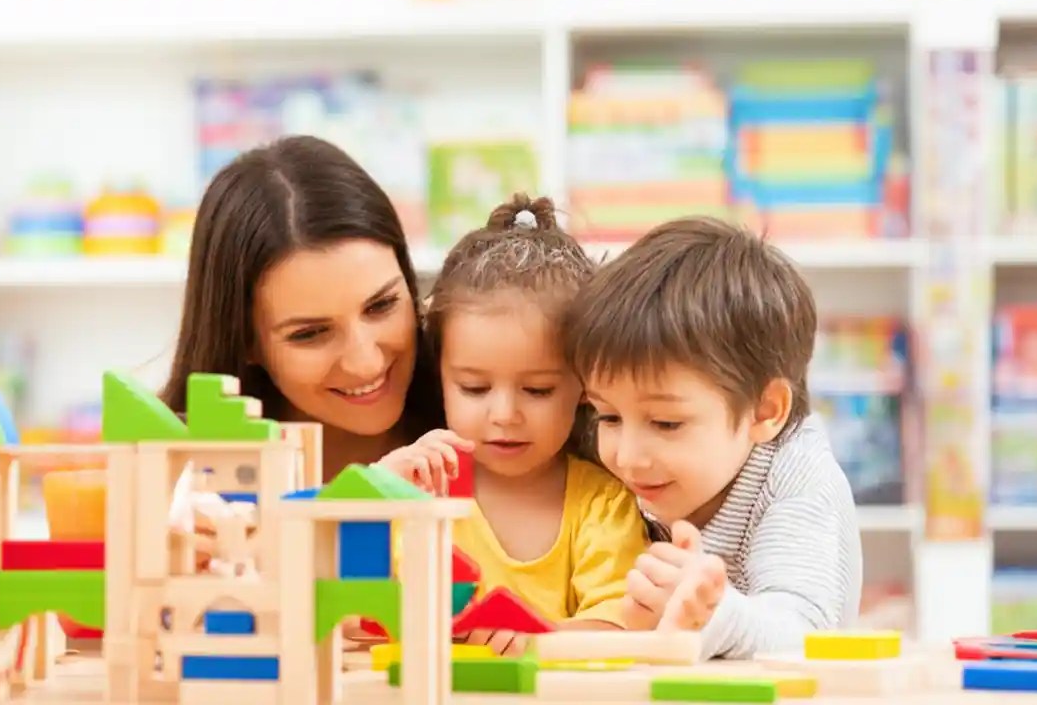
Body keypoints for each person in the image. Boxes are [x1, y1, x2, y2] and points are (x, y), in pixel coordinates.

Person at [562, 216, 862, 659]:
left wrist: (713, 615)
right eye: (607, 416)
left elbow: (806, 636)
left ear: (766, 410)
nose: (627, 457)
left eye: (666, 423)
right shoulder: (624, 468)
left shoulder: (796, 480)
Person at [375, 194, 650, 656]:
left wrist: (536, 640)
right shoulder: (420, 489)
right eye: (474, 389)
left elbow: (621, 630)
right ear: (438, 374)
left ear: (585, 384)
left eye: (538, 390)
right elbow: (354, 618)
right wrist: (376, 493)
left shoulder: (602, 505)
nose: (503, 414)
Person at [159, 135, 444, 479]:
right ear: (245, 339)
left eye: (381, 305)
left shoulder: (491, 426)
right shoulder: (175, 477)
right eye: (310, 334)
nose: (364, 362)